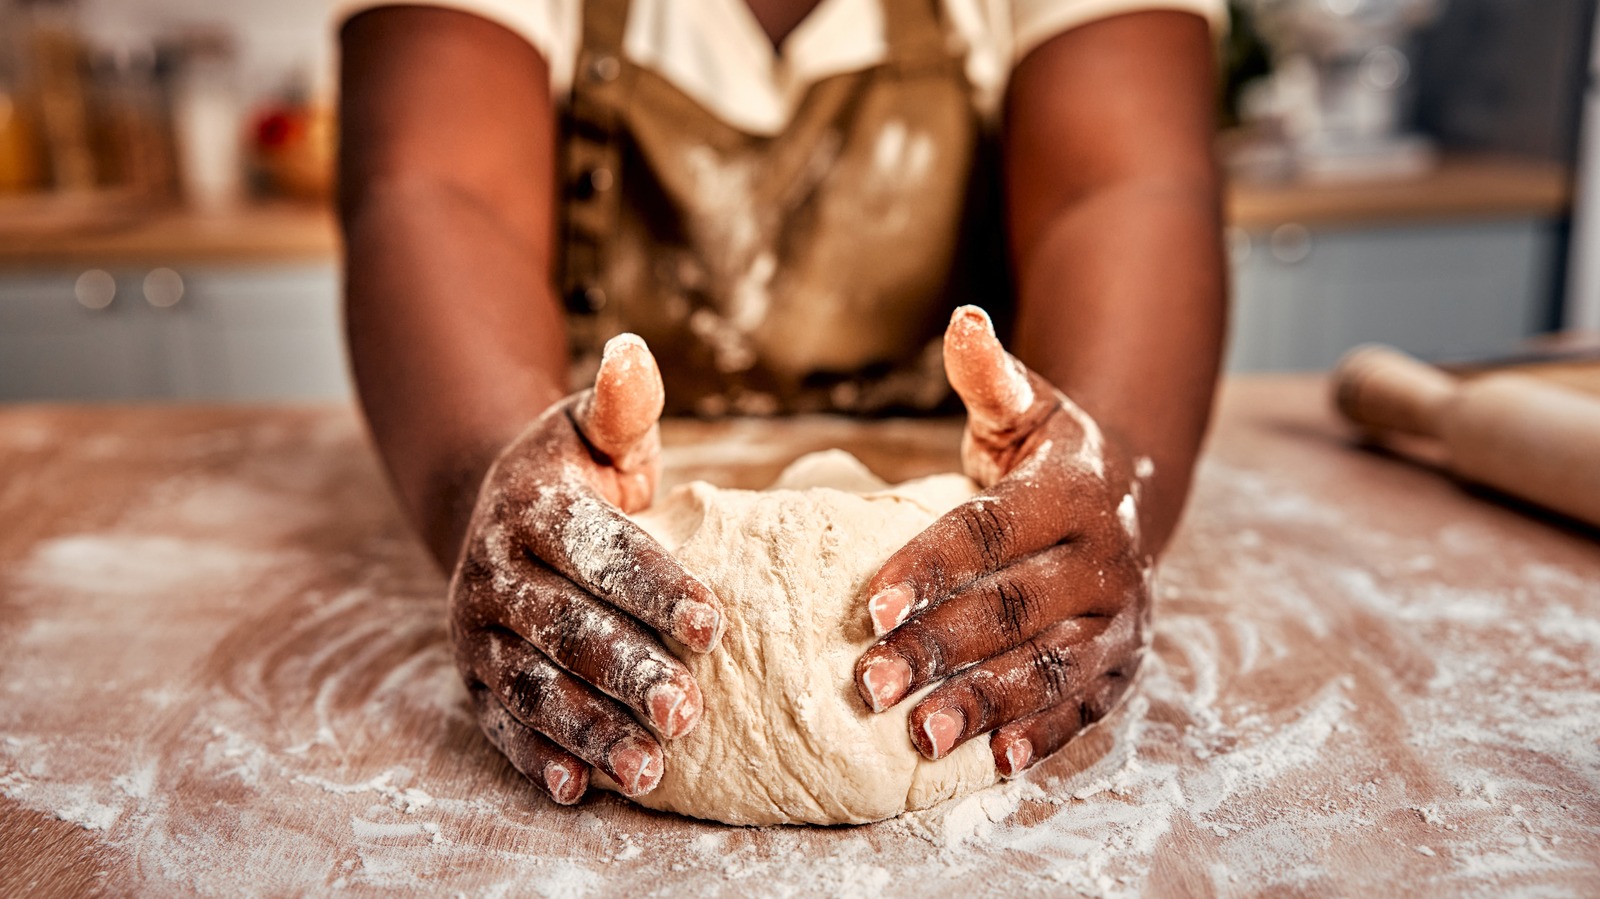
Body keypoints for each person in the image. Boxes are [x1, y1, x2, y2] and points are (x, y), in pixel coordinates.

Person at [336, 0, 1227, 805]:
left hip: (957, 486)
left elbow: (1125, 184)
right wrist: (495, 486)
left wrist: (1105, 474)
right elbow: (433, 186)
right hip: (611, 495)